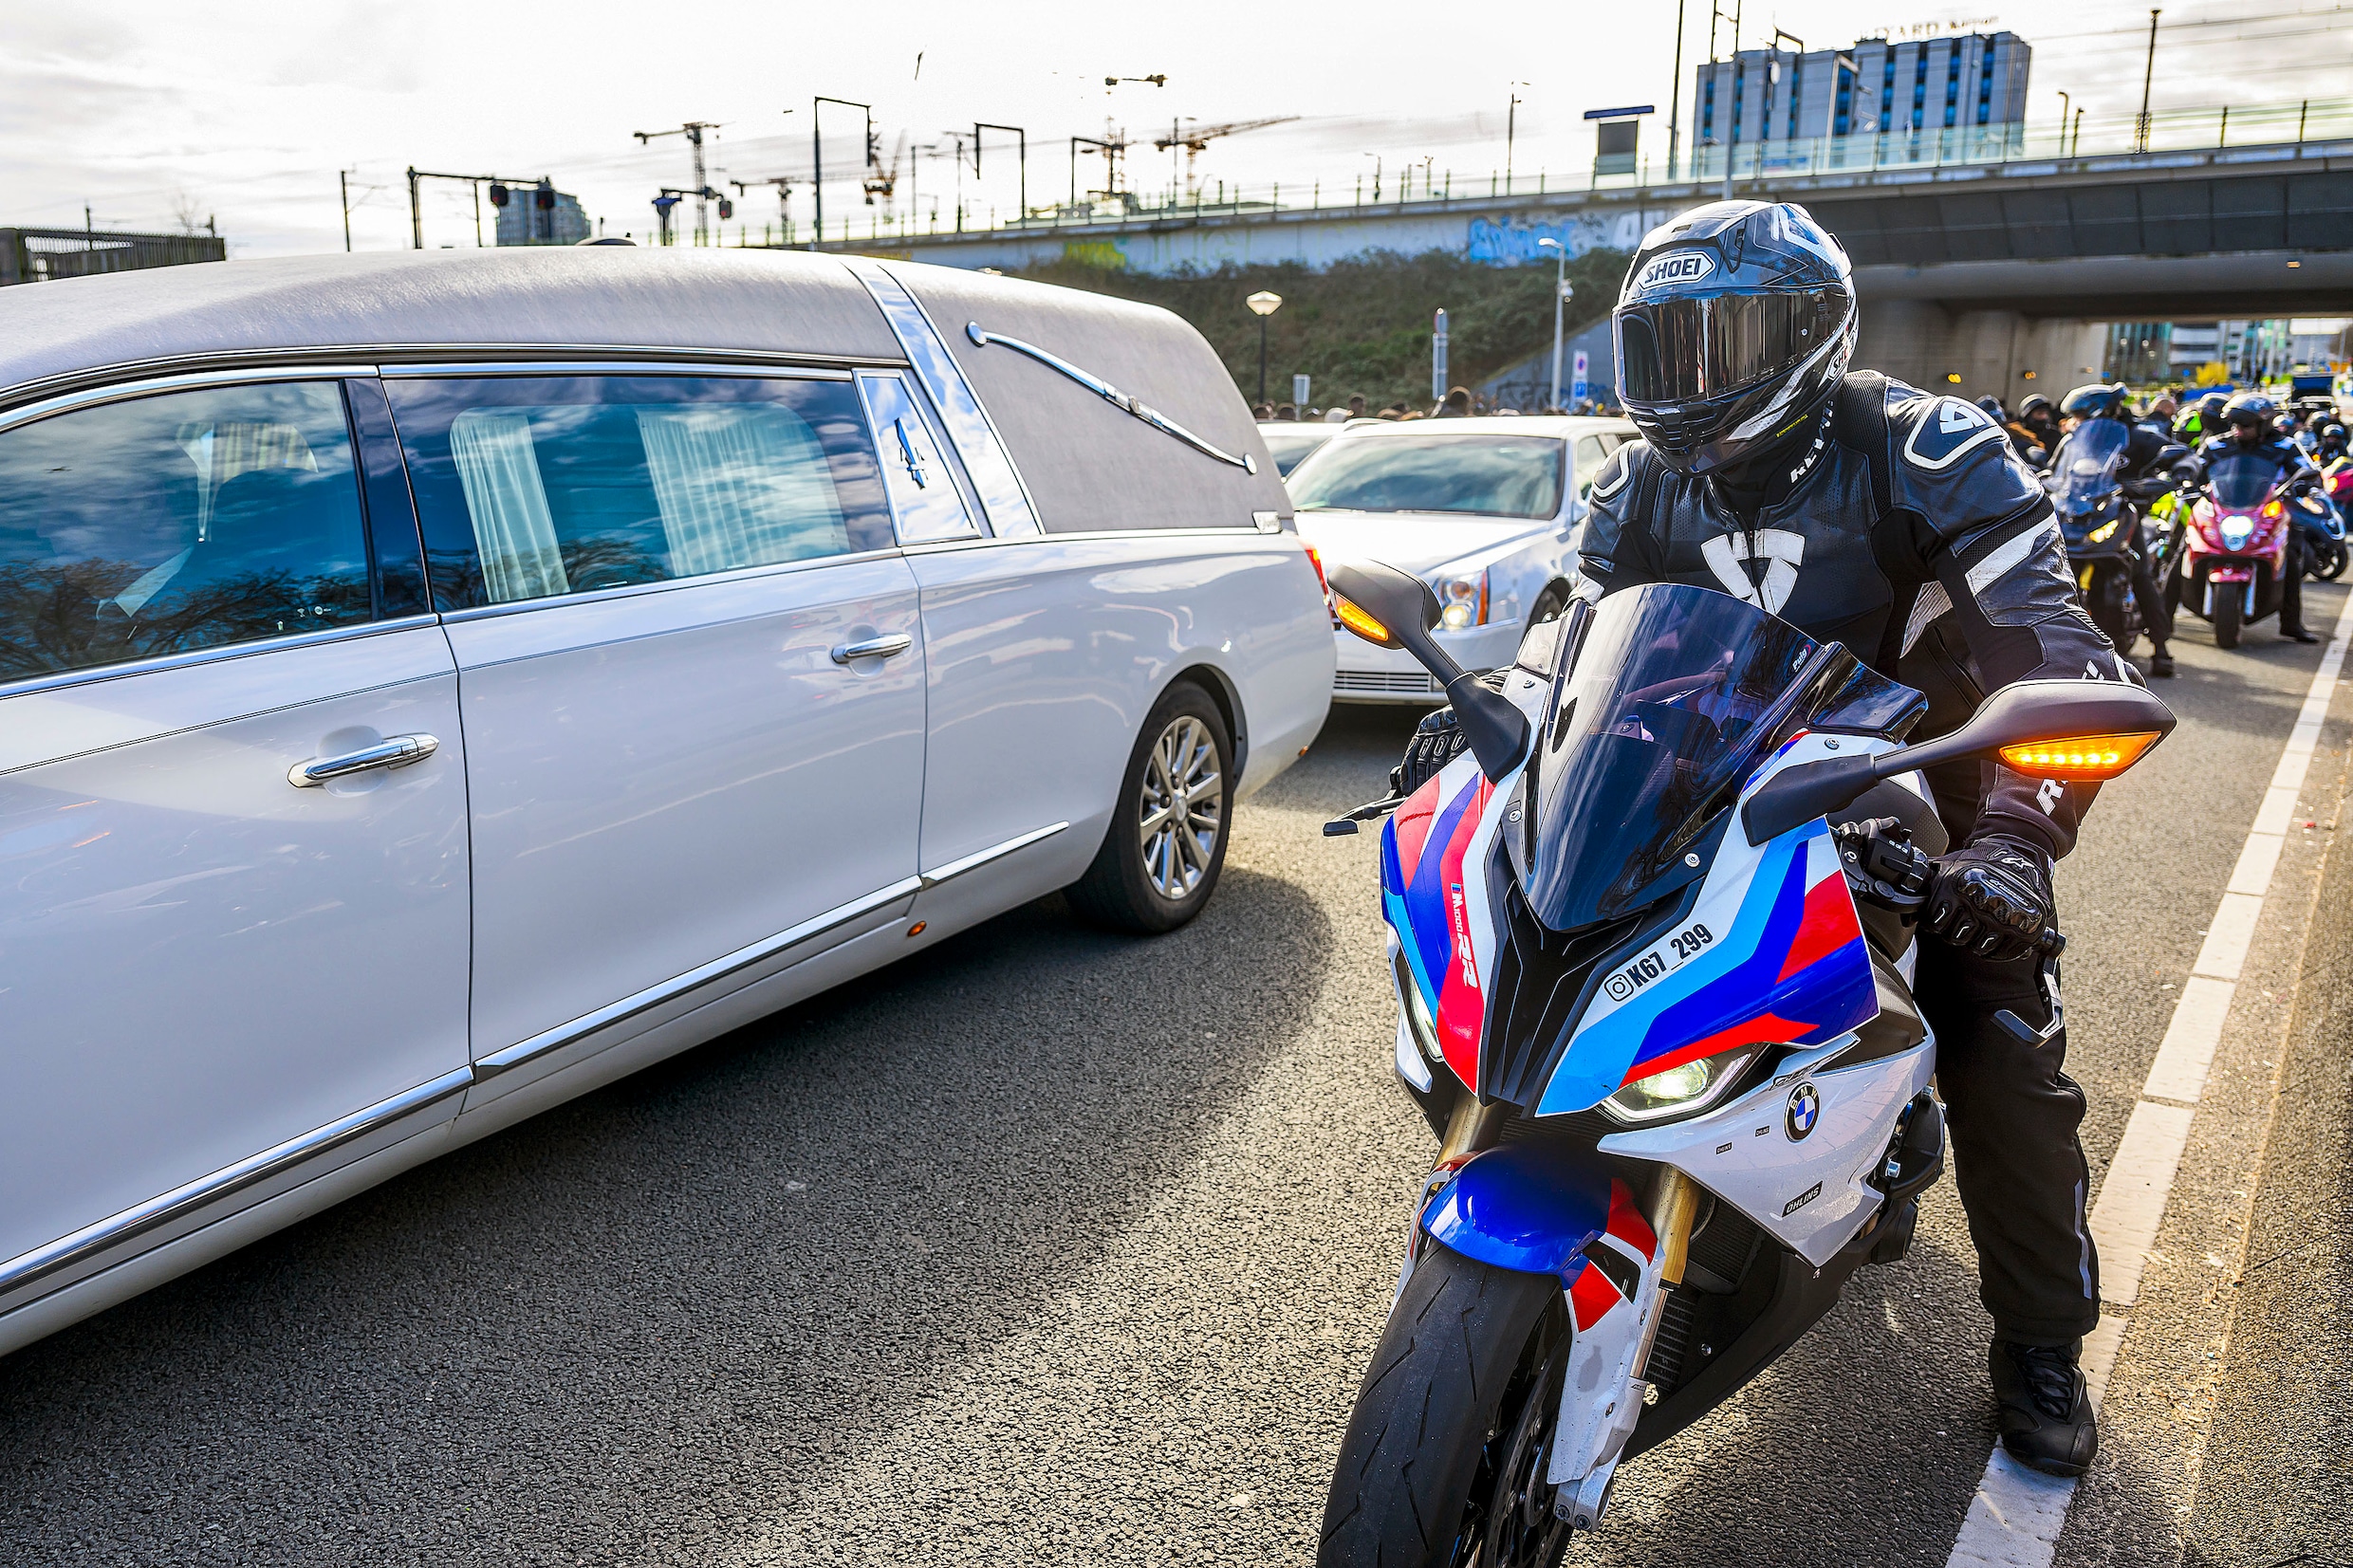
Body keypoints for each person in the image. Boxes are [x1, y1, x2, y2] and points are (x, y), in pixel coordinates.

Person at [1391, 199, 2124, 1477]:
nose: (1693, 385)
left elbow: (2058, 650)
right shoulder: (1635, 479)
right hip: (1704, 792)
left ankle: (2042, 1337)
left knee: (2005, 1049)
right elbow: (1555, 643)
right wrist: (1478, 733)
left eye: (1725, 344)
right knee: (1551, 992)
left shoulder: (1931, 446)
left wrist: (2011, 837)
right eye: (1666, 350)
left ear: (1813, 336)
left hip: (1926, 791)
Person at [2055, 381, 2179, 676]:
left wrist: (2179, 470)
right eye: (2077, 417)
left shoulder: (2136, 437)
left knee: (2141, 573)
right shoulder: (2072, 442)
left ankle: (2161, 648)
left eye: (2083, 416)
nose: (2078, 423)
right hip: (2078, 515)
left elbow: (2176, 453)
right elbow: (2054, 471)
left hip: (2121, 512)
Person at [2194, 392, 2324, 642]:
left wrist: (2305, 483)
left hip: (2266, 511)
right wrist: (2186, 478)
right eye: (2234, 425)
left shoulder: (2285, 445)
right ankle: (2162, 624)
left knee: (2293, 553)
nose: (2238, 431)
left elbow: (2306, 469)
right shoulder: (2217, 444)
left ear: (2263, 424)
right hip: (2221, 511)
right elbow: (2196, 469)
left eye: (2245, 425)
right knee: (2182, 549)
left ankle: (2291, 623)